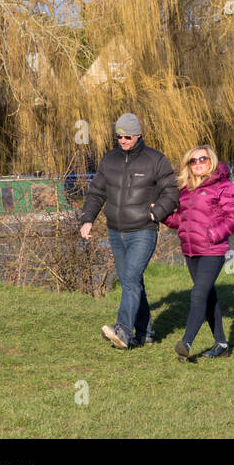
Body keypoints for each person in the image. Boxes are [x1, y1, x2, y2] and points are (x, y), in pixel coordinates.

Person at [78, 113, 180, 349]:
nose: (122, 141)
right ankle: (146, 332)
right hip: (115, 231)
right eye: (119, 136)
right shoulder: (109, 160)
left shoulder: (156, 160)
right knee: (130, 282)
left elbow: (171, 193)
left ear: (138, 135)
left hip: (143, 230)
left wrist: (156, 214)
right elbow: (96, 193)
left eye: (127, 136)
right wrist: (87, 219)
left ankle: (123, 331)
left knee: (131, 279)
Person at [163, 144, 234, 360]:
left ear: (211, 161)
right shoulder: (185, 189)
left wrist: (214, 235)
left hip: (212, 250)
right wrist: (163, 215)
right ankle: (222, 344)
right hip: (190, 250)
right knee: (207, 295)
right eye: (193, 161)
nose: (198, 164)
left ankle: (186, 342)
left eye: (203, 159)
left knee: (198, 294)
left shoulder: (222, 185)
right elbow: (182, 220)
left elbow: (233, 216)